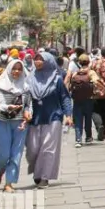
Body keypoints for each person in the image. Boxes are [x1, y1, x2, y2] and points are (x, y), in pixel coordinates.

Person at [24, 52, 73, 188]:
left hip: (53, 117)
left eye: (41, 59)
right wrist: (25, 111)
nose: (37, 62)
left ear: (49, 62)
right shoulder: (29, 79)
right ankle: (37, 171)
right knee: (32, 149)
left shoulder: (56, 79)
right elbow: (24, 98)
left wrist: (68, 115)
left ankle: (44, 177)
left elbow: (64, 97)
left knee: (48, 148)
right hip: (34, 118)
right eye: (36, 59)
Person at [0, 59, 31, 192]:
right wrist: (9, 107)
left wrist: (28, 114)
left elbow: (29, 104)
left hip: (20, 124)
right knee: (3, 154)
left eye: (19, 69)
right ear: (9, 69)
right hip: (3, 123)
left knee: (16, 154)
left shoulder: (26, 86)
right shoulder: (0, 85)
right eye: (14, 68)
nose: (17, 71)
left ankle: (9, 182)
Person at [65, 54, 97, 147]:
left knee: (78, 119)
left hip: (77, 100)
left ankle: (78, 139)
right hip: (88, 99)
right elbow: (96, 82)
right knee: (88, 118)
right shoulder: (91, 72)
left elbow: (71, 86)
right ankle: (88, 137)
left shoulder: (76, 73)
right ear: (88, 62)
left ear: (79, 63)